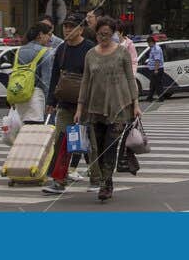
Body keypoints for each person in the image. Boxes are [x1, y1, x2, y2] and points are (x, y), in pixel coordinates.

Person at [74, 16, 139, 203]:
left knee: (110, 146)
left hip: (119, 107)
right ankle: (106, 179)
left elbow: (129, 79)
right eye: (101, 34)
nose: (104, 38)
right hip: (95, 107)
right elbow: (85, 81)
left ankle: (105, 184)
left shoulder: (122, 53)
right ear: (96, 34)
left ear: (113, 35)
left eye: (108, 35)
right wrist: (80, 107)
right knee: (99, 147)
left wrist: (135, 104)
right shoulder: (90, 55)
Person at [42, 16, 93, 196]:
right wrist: (51, 101)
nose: (67, 30)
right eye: (65, 26)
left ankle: (97, 179)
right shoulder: (61, 49)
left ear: (81, 29)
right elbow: (55, 76)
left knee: (88, 142)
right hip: (65, 103)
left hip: (86, 104)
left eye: (72, 26)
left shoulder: (89, 48)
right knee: (62, 140)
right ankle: (59, 181)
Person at [13, 22, 56, 123]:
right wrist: (50, 102)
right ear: (41, 34)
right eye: (48, 35)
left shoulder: (19, 50)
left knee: (23, 130)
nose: (50, 39)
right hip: (36, 97)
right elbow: (46, 81)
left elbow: (14, 73)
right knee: (36, 132)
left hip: (20, 95)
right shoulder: (46, 52)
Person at [143, 33, 170, 103]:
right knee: (153, 84)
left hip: (157, 69)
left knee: (158, 84)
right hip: (154, 69)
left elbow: (157, 60)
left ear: (151, 42)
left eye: (148, 43)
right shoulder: (153, 48)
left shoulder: (156, 49)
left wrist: (156, 70)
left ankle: (160, 98)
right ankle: (150, 97)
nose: (148, 45)